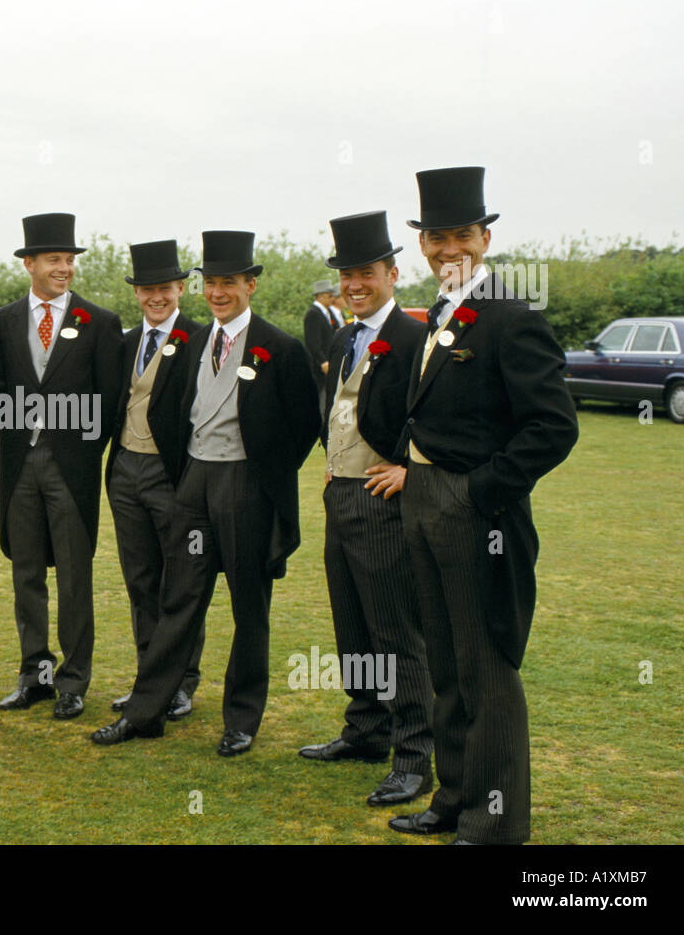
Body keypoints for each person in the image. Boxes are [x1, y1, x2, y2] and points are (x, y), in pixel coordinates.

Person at [389, 167, 577, 843]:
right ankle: (456, 795)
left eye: (460, 234)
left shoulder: (511, 315)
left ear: (485, 238)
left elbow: (553, 428)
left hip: (478, 515)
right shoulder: (439, 312)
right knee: (445, 662)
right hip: (424, 500)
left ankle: (493, 822)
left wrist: (478, 491)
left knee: (485, 669)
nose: (446, 248)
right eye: (435, 237)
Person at [92, 231, 320, 756]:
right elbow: (175, 414)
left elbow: (305, 423)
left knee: (248, 605)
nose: (218, 292)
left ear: (251, 285)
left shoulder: (279, 347)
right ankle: (147, 712)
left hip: (244, 488)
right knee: (179, 598)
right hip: (194, 484)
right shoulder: (194, 341)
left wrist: (265, 472)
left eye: (229, 283)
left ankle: (241, 719)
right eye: (211, 283)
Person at [297, 211, 434, 808]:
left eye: (366, 273)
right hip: (340, 494)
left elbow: (432, 413)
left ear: (392, 273)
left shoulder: (411, 337)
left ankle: (413, 756)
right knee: (351, 622)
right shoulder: (341, 335)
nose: (355, 284)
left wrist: (409, 466)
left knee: (395, 629)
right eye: (347, 274)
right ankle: (366, 730)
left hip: (384, 498)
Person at [0, 213, 123, 719]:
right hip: (19, 463)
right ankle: (35, 675)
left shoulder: (99, 322)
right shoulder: (2, 321)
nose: (64, 268)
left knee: (74, 573)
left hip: (72, 467)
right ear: (29, 264)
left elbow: (108, 401)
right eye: (54, 260)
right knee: (26, 573)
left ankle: (73, 681)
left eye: (69, 260)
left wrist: (84, 450)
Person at [105, 240, 205, 720]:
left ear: (180, 288)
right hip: (125, 469)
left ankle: (182, 682)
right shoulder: (125, 342)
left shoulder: (199, 339)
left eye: (164, 288)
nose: (156, 297)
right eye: (147, 289)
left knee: (180, 581)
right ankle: (149, 679)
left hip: (172, 474)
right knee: (140, 580)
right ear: (137, 293)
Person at [303, 279, 344, 415]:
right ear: (320, 296)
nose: (332, 299)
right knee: (321, 399)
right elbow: (313, 342)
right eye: (329, 296)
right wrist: (322, 361)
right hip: (319, 367)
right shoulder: (313, 314)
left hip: (329, 362)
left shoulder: (327, 313)